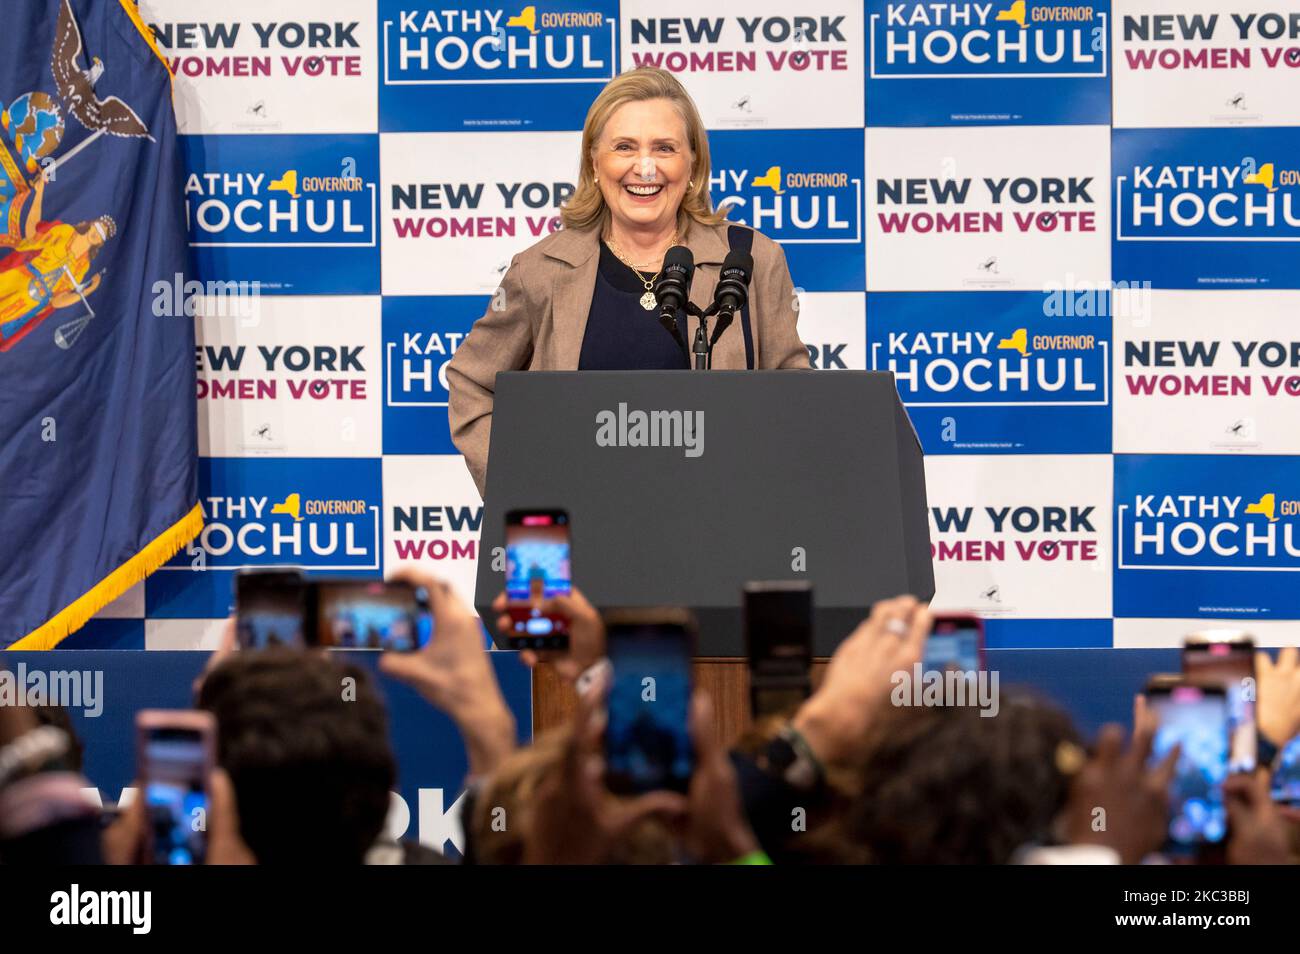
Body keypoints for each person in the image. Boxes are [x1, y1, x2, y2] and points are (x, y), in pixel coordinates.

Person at [446, 66, 810, 496]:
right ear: (595, 164)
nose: (645, 167)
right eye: (624, 147)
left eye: (665, 148)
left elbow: (796, 399)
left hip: (717, 532)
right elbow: (471, 383)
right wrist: (523, 487)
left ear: (693, 163)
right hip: (577, 536)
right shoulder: (541, 269)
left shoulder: (751, 260)